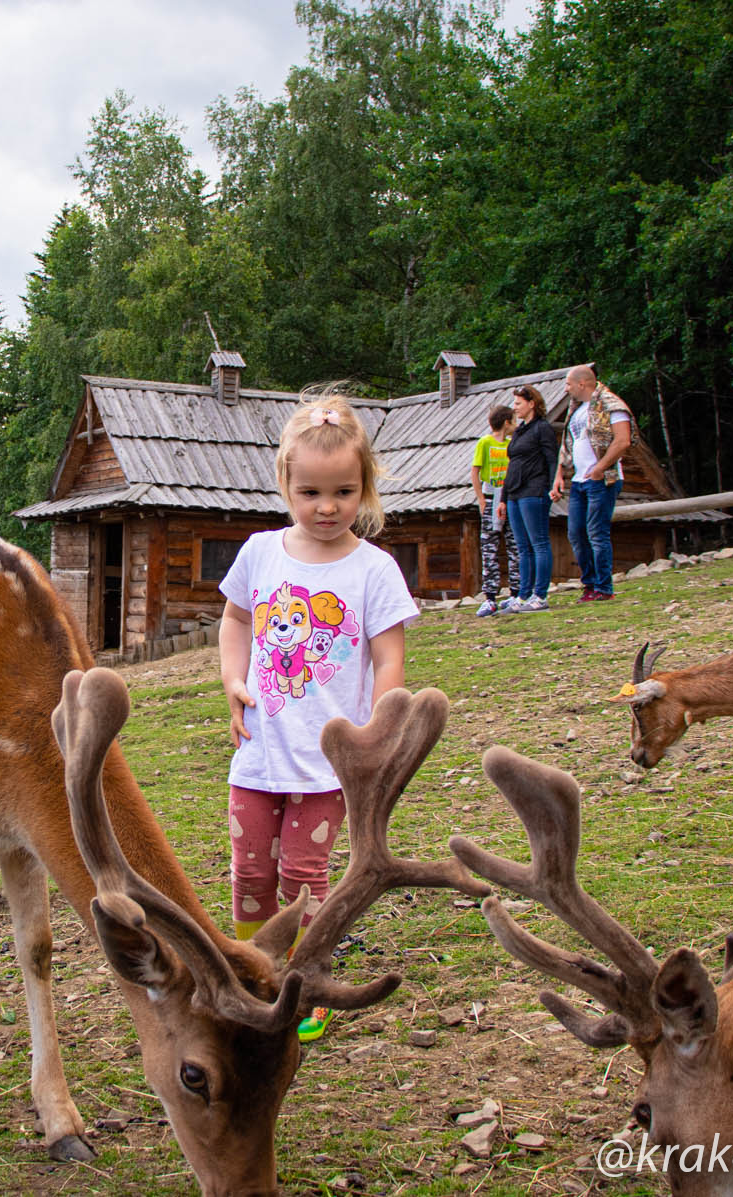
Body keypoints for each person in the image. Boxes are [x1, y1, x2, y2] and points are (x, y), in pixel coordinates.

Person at [218, 390, 418, 1042]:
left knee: (305, 877)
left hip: (328, 762)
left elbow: (390, 658)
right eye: (310, 492)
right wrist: (231, 678)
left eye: (342, 491)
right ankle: (254, 973)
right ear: (285, 484)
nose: (326, 507)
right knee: (250, 870)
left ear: (364, 487)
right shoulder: (260, 553)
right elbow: (236, 618)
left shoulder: (375, 570)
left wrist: (379, 731)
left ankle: (306, 981)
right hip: (258, 750)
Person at [551, 364, 634, 603]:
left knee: (597, 532)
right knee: (576, 533)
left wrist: (600, 468)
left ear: (581, 384)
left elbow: (623, 440)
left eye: (568, 384)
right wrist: (559, 474)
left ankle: (603, 587)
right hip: (578, 481)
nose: (566, 389)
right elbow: (568, 445)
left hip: (602, 479)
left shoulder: (610, 404)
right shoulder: (576, 411)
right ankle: (588, 584)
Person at [499, 384, 557, 613]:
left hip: (534, 490)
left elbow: (552, 459)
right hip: (514, 492)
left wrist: (551, 486)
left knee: (539, 543)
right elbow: (511, 464)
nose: (515, 408)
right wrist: (503, 498)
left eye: (518, 403)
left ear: (532, 403)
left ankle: (539, 595)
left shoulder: (542, 428)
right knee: (522, 547)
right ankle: (523, 595)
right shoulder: (520, 431)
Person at [469, 404, 517, 617]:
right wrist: (480, 499)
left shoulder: (512, 444)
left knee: (514, 545)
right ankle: (490, 596)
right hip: (490, 497)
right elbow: (475, 470)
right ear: (507, 422)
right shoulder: (485, 442)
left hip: (508, 498)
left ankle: (515, 592)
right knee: (489, 547)